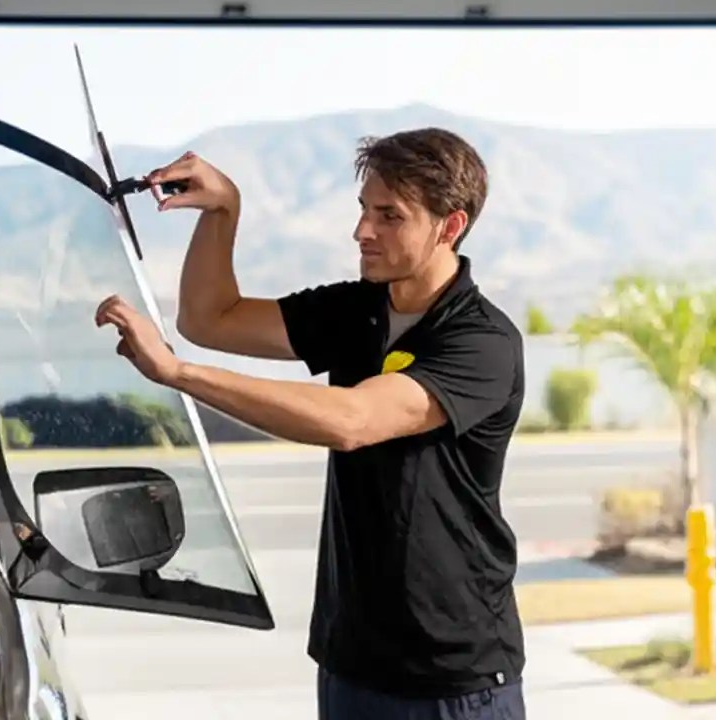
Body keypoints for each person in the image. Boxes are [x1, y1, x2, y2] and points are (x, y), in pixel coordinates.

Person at [94, 129, 527, 720]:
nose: (362, 231)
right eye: (363, 210)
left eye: (389, 216)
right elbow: (210, 318)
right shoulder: (356, 310)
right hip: (350, 662)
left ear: (449, 227)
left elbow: (353, 420)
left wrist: (177, 374)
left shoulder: (481, 342)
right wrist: (225, 209)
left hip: (454, 681)